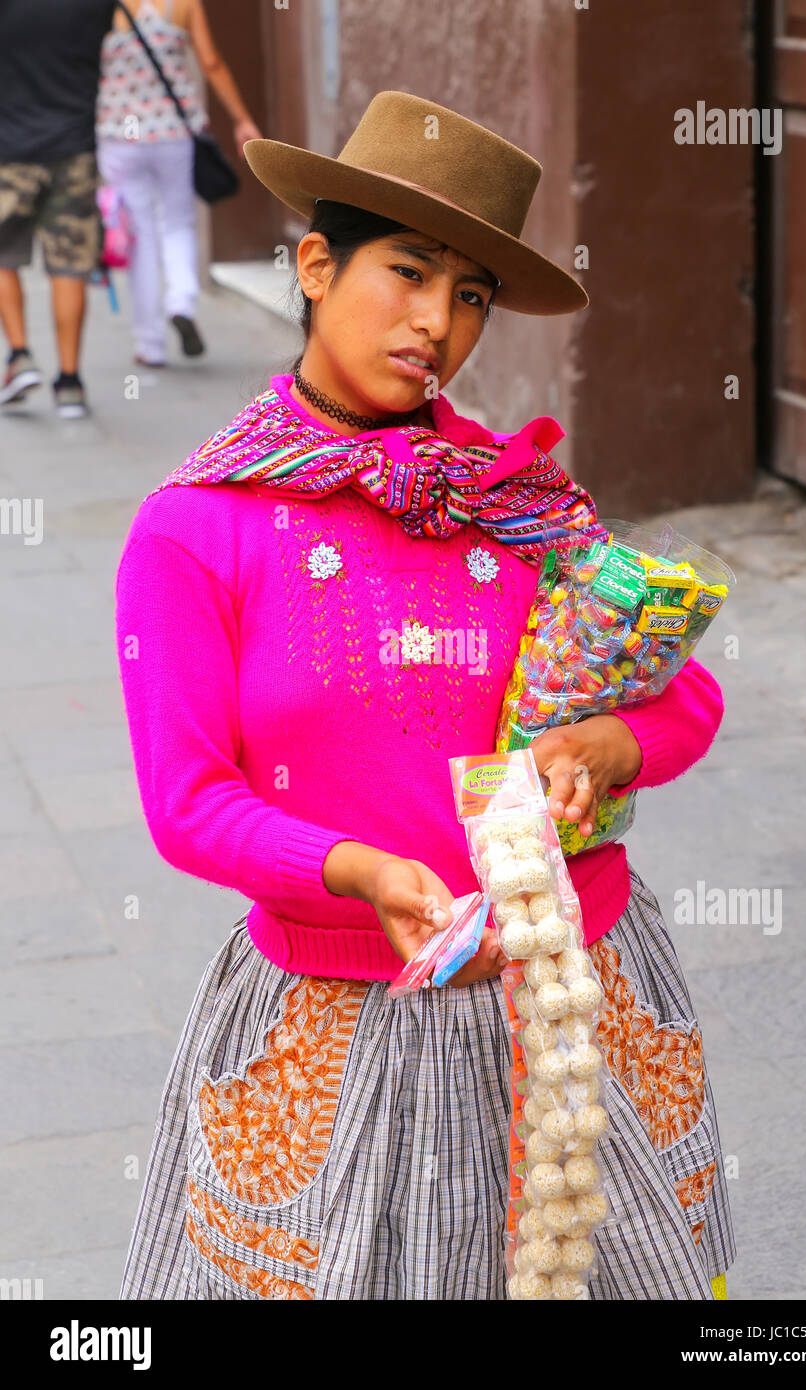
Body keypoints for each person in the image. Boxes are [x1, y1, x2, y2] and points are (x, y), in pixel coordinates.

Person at [115, 90, 736, 1300]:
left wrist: (608, 742)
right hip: (339, 1021)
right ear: (310, 263)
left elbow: (688, 697)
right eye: (405, 274)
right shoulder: (196, 531)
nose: (436, 325)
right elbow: (188, 802)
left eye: (470, 297)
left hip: (567, 1000)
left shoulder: (515, 501)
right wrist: (359, 871)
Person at [95, 0, 261, 368]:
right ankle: (181, 302)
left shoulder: (104, 7)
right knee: (177, 222)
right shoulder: (184, 3)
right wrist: (242, 119)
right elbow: (211, 61)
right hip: (174, 132)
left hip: (120, 135)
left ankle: (150, 345)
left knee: (139, 235)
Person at [0, 0, 118, 418]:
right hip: (75, 150)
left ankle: (19, 355)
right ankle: (70, 383)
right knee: (70, 264)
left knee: (3, 258)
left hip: (9, 150)